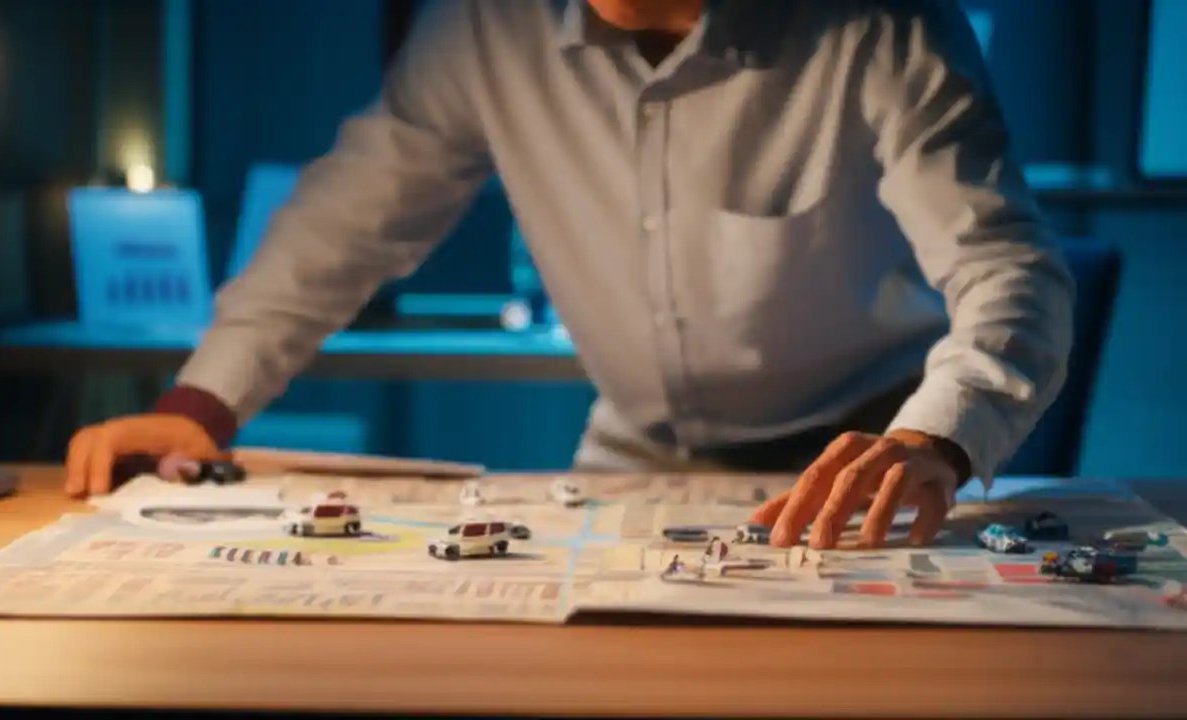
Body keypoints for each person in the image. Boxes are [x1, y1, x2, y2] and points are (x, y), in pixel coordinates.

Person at [64, 0, 1074, 552]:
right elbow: (339, 228)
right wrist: (201, 404)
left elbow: (1006, 269)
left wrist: (935, 437)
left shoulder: (879, 23)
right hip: (632, 449)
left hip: (864, 449)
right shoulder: (479, 25)